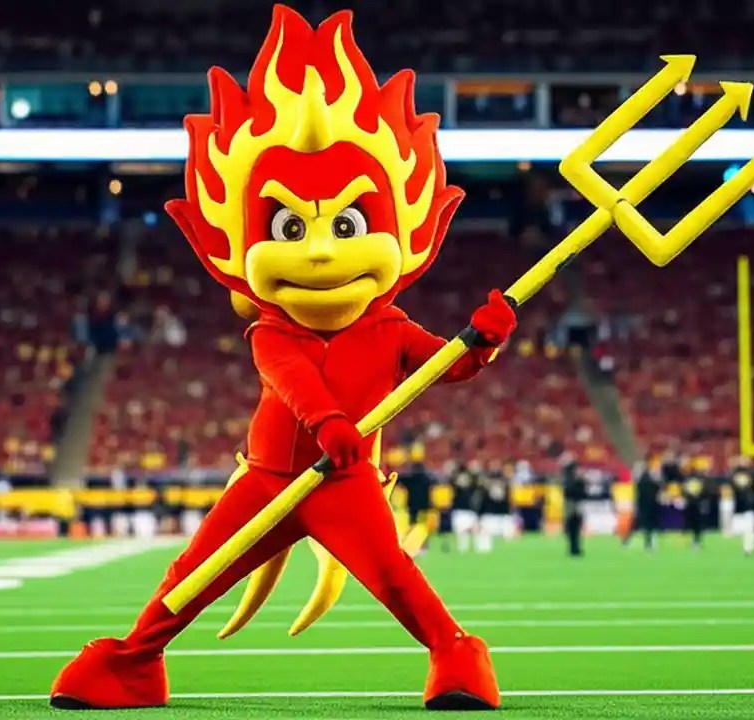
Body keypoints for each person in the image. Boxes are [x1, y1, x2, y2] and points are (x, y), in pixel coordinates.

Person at [49, 9, 517, 709]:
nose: (322, 250)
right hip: (270, 477)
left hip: (345, 481)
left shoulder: (389, 325)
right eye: (291, 226)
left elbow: (442, 366)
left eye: (348, 223)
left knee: (396, 579)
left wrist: (482, 340)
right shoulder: (271, 330)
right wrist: (329, 422)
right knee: (194, 574)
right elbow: (291, 381)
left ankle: (457, 656)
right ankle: (133, 662)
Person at [449, 459, 484, 552]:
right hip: (460, 510)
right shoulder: (455, 478)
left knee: (475, 531)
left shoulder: (473, 479)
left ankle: (478, 550)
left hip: (469, 510)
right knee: (462, 534)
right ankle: (465, 551)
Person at [476, 460, 512, 552]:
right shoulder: (485, 480)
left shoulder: (505, 480)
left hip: (502, 513)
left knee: (507, 538)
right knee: (485, 535)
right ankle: (484, 553)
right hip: (490, 512)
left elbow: (508, 498)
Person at [632, 460, 662, 551]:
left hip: (643, 505)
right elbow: (658, 489)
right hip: (653, 505)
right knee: (652, 524)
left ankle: (647, 544)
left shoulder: (640, 481)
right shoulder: (653, 480)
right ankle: (653, 543)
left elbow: (638, 494)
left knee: (645, 525)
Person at [562, 456, 587, 557]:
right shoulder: (573, 479)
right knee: (574, 528)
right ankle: (574, 548)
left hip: (570, 505)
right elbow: (576, 492)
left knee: (573, 529)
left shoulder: (567, 478)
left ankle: (574, 548)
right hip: (573, 505)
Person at [682, 469, 708, 550]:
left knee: (696, 524)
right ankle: (693, 540)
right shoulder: (690, 482)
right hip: (691, 505)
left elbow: (704, 493)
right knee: (691, 523)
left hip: (696, 505)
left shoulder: (698, 483)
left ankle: (696, 541)